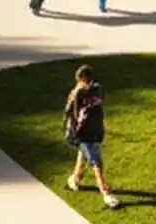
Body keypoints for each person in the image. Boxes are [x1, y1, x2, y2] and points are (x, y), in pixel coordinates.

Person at [64, 65, 119, 209]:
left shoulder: (89, 90)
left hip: (91, 131)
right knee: (97, 164)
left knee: (83, 154)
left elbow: (69, 112)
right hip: (88, 132)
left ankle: (75, 180)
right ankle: (106, 194)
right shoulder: (83, 92)